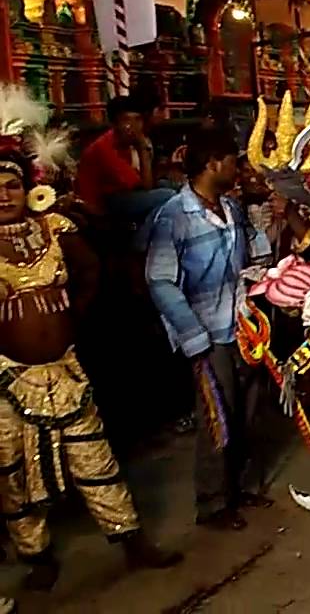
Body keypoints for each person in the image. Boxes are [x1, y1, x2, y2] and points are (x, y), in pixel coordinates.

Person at [0, 150, 181, 590]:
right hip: (6, 378)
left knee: (95, 458)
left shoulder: (55, 228)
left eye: (11, 185)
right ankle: (36, 555)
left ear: (29, 188)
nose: (3, 195)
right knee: (11, 469)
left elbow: (91, 268)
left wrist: (72, 318)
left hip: (65, 370)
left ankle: (131, 541)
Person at [145, 133, 272, 531]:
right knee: (218, 415)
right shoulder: (173, 216)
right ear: (213, 164)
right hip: (206, 331)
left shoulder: (231, 208)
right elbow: (160, 281)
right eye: (233, 162)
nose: (239, 169)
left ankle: (239, 487)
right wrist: (192, 336)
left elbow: (258, 256)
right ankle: (213, 504)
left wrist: (264, 223)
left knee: (248, 411)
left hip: (242, 327)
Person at [75, 95, 173, 221]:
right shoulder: (104, 148)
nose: (133, 126)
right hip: (103, 203)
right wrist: (143, 149)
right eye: (126, 120)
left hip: (125, 194)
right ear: (114, 124)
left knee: (170, 186)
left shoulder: (128, 143)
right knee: (168, 196)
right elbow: (145, 186)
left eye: (137, 120)